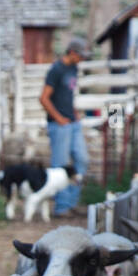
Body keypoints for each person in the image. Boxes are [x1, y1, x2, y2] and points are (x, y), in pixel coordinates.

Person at [39, 36, 92, 218]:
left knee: (82, 159)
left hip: (73, 122)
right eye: (81, 55)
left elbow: (67, 94)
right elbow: (44, 98)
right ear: (72, 52)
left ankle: (72, 202)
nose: (83, 59)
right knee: (60, 166)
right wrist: (59, 118)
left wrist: (74, 113)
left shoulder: (73, 68)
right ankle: (61, 207)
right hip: (59, 125)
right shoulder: (56, 70)